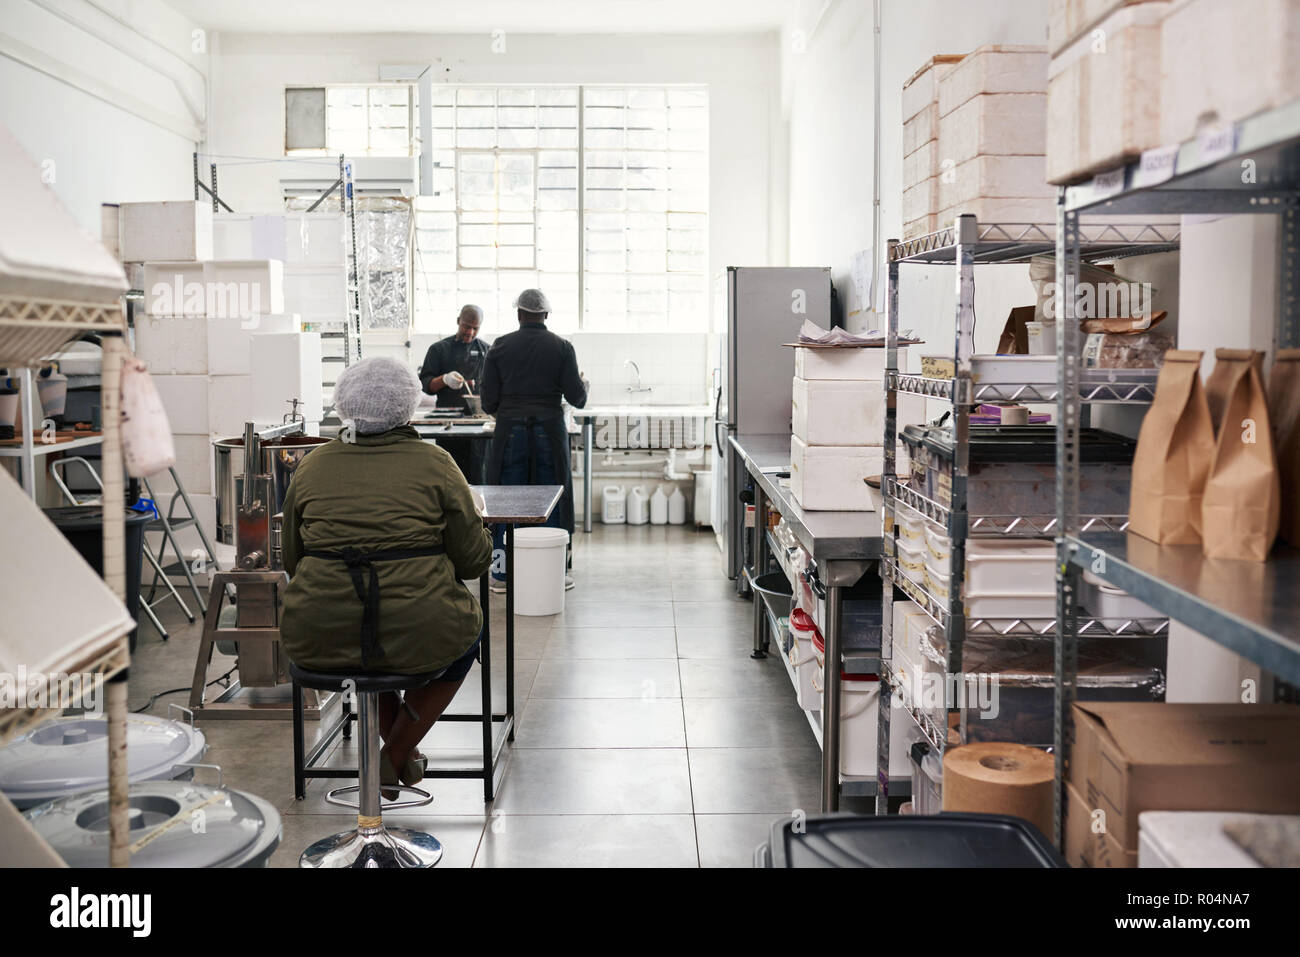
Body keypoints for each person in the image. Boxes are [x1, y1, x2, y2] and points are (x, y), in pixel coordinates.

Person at [279, 357, 493, 792]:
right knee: (456, 638)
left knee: (364, 637)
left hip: (318, 630)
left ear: (343, 405)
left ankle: (394, 755)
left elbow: (292, 562)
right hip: (418, 629)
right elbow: (473, 562)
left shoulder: (313, 465)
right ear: (408, 407)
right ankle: (394, 756)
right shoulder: (437, 464)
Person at [481, 288, 587, 593]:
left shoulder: (499, 347)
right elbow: (577, 398)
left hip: (510, 431)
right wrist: (582, 385)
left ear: (519, 314)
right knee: (552, 498)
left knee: (503, 500)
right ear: (547, 315)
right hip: (549, 432)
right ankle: (556, 571)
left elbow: (488, 402)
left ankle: (501, 574)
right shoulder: (562, 347)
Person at [417, 304, 489, 482]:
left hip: (479, 426)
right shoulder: (439, 350)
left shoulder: (487, 351)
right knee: (450, 479)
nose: (470, 332)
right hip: (448, 426)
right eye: (466, 326)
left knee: (479, 478)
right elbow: (426, 385)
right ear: (458, 321)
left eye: (475, 328)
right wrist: (444, 380)